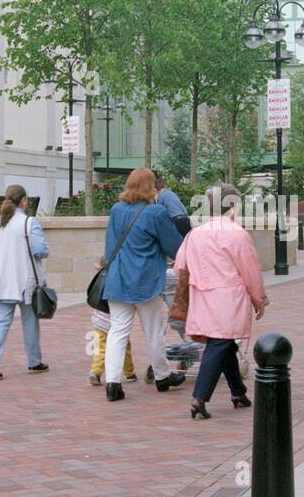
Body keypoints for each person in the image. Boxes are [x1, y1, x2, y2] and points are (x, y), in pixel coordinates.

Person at [174, 184, 267, 420]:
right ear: (233, 206)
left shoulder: (195, 234)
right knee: (219, 344)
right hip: (228, 297)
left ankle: (238, 392)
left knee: (223, 343)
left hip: (202, 296)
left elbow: (179, 267)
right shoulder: (237, 233)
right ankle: (200, 397)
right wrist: (259, 300)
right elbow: (250, 270)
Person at [101, 168, 187, 401]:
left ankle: (112, 383)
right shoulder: (156, 213)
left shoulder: (116, 210)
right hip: (145, 282)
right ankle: (162, 376)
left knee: (117, 332)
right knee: (154, 332)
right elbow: (175, 246)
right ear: (150, 188)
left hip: (118, 280)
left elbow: (109, 248)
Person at [0, 184, 50, 379]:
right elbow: (40, 250)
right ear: (24, 201)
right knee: (30, 321)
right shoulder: (29, 222)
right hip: (24, 280)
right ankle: (34, 361)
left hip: (1, 282)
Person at [89, 306, 136, 387]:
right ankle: (129, 373)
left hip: (99, 320)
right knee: (124, 348)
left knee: (100, 349)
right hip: (117, 323)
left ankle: (96, 371)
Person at [155, 172, 192, 237]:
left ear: (155, 189)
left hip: (177, 222)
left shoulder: (161, 196)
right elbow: (184, 210)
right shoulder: (172, 194)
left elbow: (158, 212)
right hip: (186, 220)